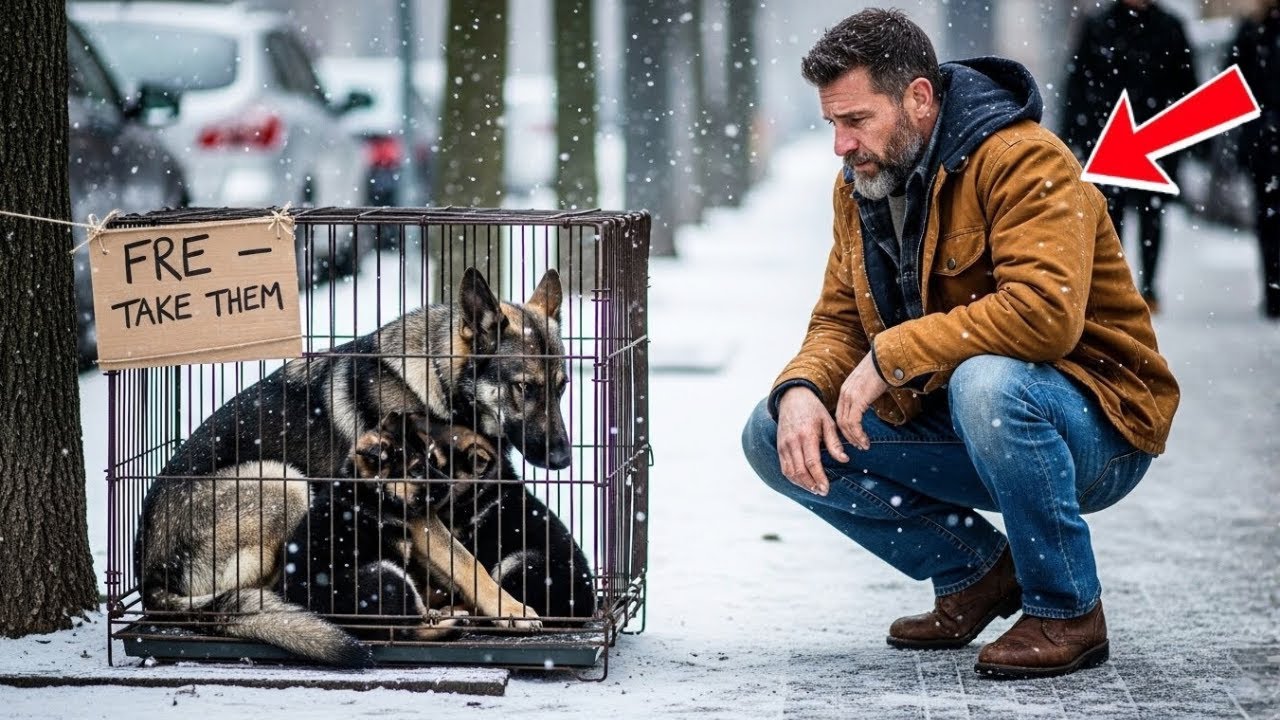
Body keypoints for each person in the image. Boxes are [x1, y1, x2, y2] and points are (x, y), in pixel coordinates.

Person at [740, 8, 1180, 680]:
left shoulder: (1025, 161)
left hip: (1097, 429)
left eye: (856, 120)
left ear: (918, 98)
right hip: (974, 426)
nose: (841, 144)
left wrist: (892, 357)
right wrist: (802, 388)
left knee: (989, 383)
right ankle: (974, 572)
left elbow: (1045, 315)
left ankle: (1067, 610)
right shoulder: (862, 184)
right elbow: (837, 320)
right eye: (833, 123)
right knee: (774, 433)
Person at [1060, 0, 1199, 314]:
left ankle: (1149, 288)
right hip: (1108, 137)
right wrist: (1073, 137)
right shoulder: (1097, 25)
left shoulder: (1169, 27)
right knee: (1110, 217)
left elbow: (1186, 85)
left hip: (1157, 137)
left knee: (1152, 217)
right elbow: (1078, 84)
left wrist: (1188, 139)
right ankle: (1117, 290)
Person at [1229, 0, 1280, 320]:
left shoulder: (1252, 31)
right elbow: (1235, 87)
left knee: (1268, 219)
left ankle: (1273, 289)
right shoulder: (1251, 32)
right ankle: (1273, 289)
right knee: (1267, 218)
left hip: (1262, 140)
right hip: (1264, 145)